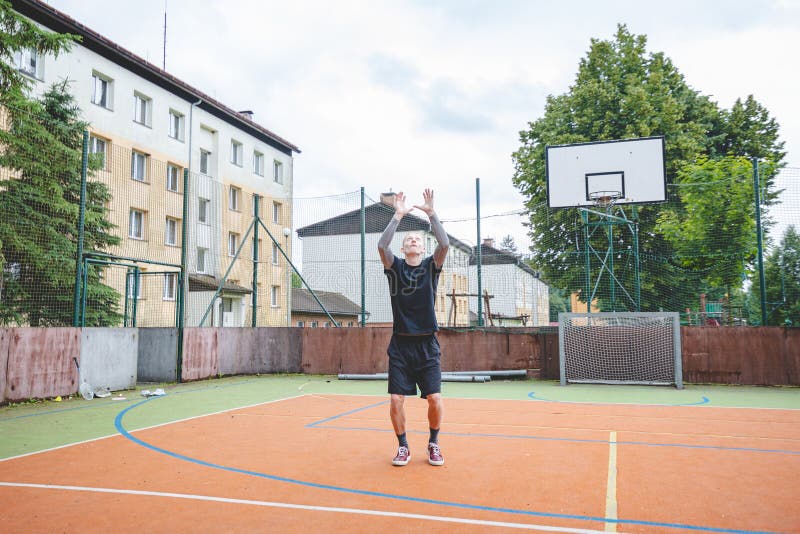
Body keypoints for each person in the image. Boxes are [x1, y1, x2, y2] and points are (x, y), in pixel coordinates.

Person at [378, 189, 449, 466]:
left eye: (417, 239)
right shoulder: (395, 267)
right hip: (401, 346)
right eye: (409, 239)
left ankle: (434, 443)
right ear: (404, 248)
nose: (413, 241)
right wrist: (398, 215)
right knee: (396, 399)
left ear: (422, 248)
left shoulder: (431, 267)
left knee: (435, 398)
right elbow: (382, 246)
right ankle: (403, 447)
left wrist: (432, 214)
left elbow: (444, 244)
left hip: (427, 345)